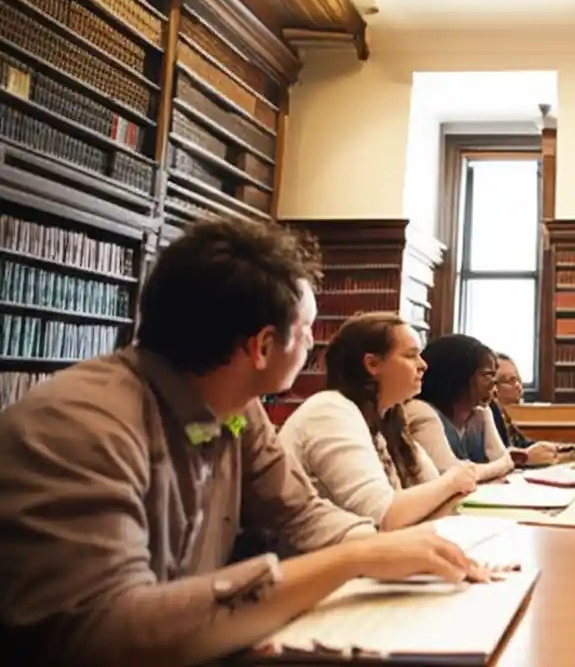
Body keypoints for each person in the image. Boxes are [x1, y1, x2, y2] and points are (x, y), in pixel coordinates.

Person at [0, 218, 492, 667]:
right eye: (305, 331)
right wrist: (359, 558)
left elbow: (301, 512)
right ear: (261, 347)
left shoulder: (238, 413)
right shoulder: (82, 427)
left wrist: (406, 552)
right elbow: (107, 631)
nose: (313, 345)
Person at [279, 313, 478, 530]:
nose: (423, 365)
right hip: (312, 558)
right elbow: (383, 515)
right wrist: (452, 481)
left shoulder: (387, 418)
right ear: (372, 364)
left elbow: (429, 485)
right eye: (411, 356)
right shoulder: (330, 411)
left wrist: (450, 481)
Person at [408, 334, 515, 482]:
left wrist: (500, 464)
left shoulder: (481, 413)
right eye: (487, 375)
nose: (494, 383)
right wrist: (499, 466)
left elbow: (503, 461)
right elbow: (448, 473)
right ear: (458, 377)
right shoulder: (420, 411)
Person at [490, 352, 561, 467]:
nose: (518, 386)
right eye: (510, 381)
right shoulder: (487, 416)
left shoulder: (507, 416)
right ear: (493, 386)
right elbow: (496, 458)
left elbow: (524, 445)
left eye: (517, 379)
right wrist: (527, 457)